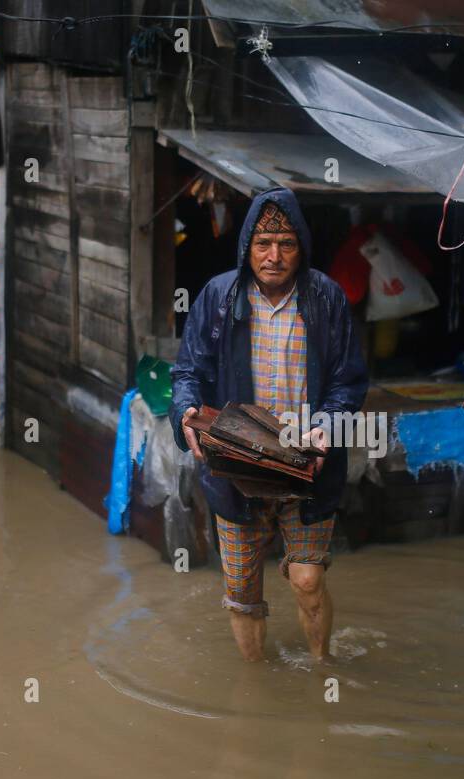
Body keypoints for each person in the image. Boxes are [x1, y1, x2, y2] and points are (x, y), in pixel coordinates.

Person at [171, 187, 368, 662]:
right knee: (241, 589)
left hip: (307, 463)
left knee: (308, 578)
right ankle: (256, 682)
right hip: (237, 466)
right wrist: (188, 413)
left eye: (286, 243)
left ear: (302, 246)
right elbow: (187, 372)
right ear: (246, 247)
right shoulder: (219, 296)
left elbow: (348, 380)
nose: (274, 256)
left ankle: (322, 665)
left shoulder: (326, 298)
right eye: (263, 243)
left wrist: (327, 426)